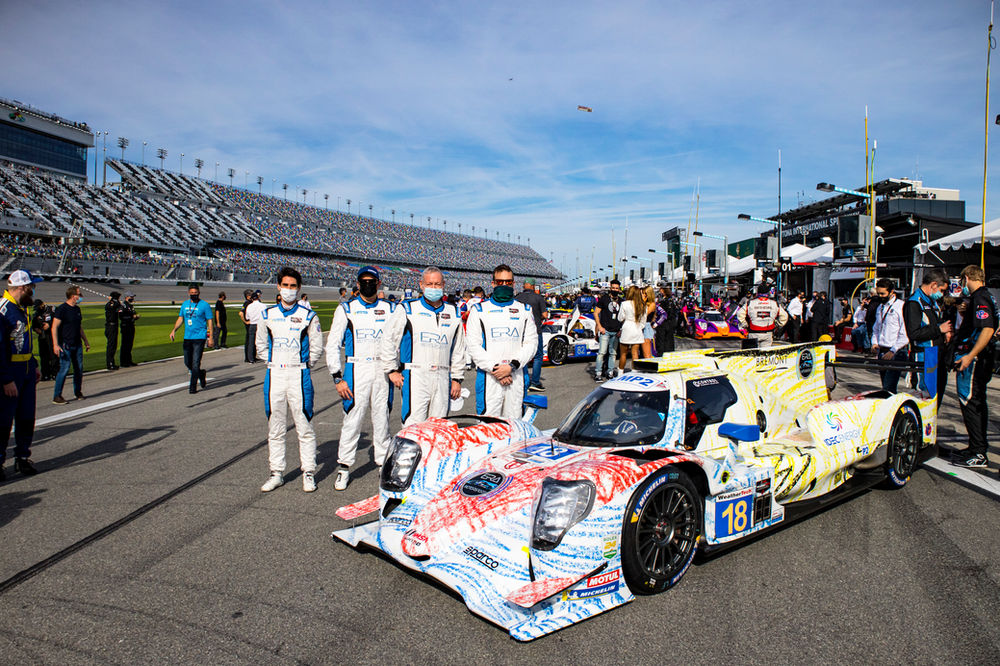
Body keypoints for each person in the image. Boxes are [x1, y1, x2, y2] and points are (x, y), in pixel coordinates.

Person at [255, 267, 323, 492]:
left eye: (293, 286)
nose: (289, 290)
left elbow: (316, 347)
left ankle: (309, 471)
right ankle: (276, 472)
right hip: (275, 374)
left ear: (299, 289)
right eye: (285, 285)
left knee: (304, 425)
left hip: (299, 374)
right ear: (278, 287)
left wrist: (304, 366)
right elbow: (261, 346)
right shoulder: (267, 314)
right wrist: (273, 362)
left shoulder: (308, 316)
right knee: (275, 427)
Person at [327, 266, 394, 491]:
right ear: (357, 283)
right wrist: (337, 376)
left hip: (382, 369)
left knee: (382, 418)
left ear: (378, 282)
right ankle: (344, 467)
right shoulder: (346, 309)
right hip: (356, 368)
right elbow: (333, 343)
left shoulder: (391, 308)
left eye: (371, 280)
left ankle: (382, 464)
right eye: (363, 281)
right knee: (352, 419)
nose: (368, 284)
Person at [380, 266, 465, 425]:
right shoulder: (407, 309)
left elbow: (459, 349)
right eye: (430, 284)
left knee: (439, 428)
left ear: (443, 285)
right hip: (416, 376)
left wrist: (457, 379)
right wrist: (391, 370)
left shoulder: (454, 312)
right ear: (421, 285)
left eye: (437, 284)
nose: (434, 288)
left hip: (442, 376)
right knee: (413, 426)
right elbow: (388, 340)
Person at [465, 264, 537, 418]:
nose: (504, 285)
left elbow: (531, 343)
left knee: (516, 427)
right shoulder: (479, 311)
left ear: (513, 283)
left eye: (508, 282)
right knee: (488, 429)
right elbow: (473, 345)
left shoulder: (525, 310)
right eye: (500, 282)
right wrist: (497, 369)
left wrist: (511, 367)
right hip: (489, 377)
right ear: (493, 283)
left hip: (516, 377)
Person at [951, 265, 998, 469]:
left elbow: (987, 329)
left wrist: (970, 355)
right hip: (979, 357)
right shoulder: (985, 297)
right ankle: (975, 447)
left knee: (970, 401)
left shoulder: (980, 297)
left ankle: (979, 453)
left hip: (975, 359)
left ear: (967, 278)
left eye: (962, 281)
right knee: (974, 402)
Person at [1, 270, 43, 480]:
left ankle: (22, 457)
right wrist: (5, 378)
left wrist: (33, 363)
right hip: (10, 372)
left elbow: (24, 341)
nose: (34, 290)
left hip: (26, 369)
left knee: (26, 417)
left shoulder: (22, 308)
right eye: (32, 287)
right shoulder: (3, 310)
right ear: (22, 287)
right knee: (3, 419)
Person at [903, 270, 951, 404]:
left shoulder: (931, 302)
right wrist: (939, 329)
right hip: (924, 355)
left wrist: (944, 330)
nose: (941, 295)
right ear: (934, 285)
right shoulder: (914, 302)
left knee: (937, 395)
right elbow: (914, 333)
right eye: (941, 290)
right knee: (924, 396)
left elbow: (934, 323)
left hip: (938, 354)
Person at [169, 285, 214, 394]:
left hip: (199, 337)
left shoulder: (204, 305)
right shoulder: (185, 304)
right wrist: (174, 330)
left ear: (199, 293)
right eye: (192, 292)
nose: (194, 294)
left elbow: (210, 321)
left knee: (195, 363)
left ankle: (192, 386)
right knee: (187, 362)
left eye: (196, 292)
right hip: (188, 337)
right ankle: (201, 373)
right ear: (189, 293)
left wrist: (211, 337)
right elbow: (181, 318)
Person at [52, 285, 90, 404]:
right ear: (73, 296)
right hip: (66, 344)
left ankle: (78, 391)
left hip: (77, 343)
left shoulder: (77, 309)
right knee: (64, 369)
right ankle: (57, 395)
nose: (80, 297)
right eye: (79, 294)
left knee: (79, 369)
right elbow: (54, 327)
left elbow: (79, 327)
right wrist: (55, 344)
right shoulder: (62, 309)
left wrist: (85, 340)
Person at [870, 278, 909, 393]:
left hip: (896, 352)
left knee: (889, 387)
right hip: (882, 351)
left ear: (892, 292)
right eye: (879, 294)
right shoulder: (880, 307)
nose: (880, 296)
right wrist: (874, 342)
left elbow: (905, 333)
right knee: (885, 387)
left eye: (883, 294)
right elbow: (876, 328)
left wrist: (893, 350)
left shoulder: (901, 307)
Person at [514, 277, 548, 393]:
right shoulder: (538, 297)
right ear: (533, 286)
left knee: (523, 356)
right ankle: (535, 382)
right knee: (538, 356)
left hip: (520, 331)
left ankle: (523, 381)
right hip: (535, 330)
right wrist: (537, 316)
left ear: (524, 285)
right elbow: (545, 315)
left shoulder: (517, 298)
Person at [736, 283, 788, 348]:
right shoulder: (774, 304)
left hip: (753, 333)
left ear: (757, 292)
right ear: (768, 292)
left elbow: (740, 314)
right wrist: (777, 325)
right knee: (765, 355)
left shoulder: (750, 303)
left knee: (752, 354)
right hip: (768, 333)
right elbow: (784, 316)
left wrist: (745, 325)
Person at [594, 280, 623, 381]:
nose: (615, 290)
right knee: (602, 352)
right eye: (613, 288)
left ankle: (610, 371)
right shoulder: (604, 299)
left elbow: (624, 317)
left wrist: (621, 330)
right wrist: (599, 327)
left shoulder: (621, 301)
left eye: (617, 288)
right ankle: (598, 372)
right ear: (610, 288)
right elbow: (596, 313)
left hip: (616, 331)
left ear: (619, 289)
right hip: (605, 330)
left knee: (613, 353)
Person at [617, 286, 646, 373]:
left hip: (627, 329)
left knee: (623, 354)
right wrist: (638, 327)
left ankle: (620, 373)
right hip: (637, 329)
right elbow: (643, 322)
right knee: (635, 353)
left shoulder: (624, 304)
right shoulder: (642, 305)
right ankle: (634, 372)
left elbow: (620, 318)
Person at [31, 299, 57, 380]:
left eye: (38, 306)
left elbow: (58, 321)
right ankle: (45, 374)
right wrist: (37, 330)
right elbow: (34, 326)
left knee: (53, 355)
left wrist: (49, 325)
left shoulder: (52, 310)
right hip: (42, 337)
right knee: (43, 356)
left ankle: (55, 373)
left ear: (42, 304)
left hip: (51, 336)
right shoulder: (36, 314)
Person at [653, 287, 678, 354]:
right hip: (671, 322)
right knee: (669, 339)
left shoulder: (663, 302)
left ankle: (661, 353)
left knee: (661, 340)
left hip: (663, 323)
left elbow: (663, 314)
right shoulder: (673, 300)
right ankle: (670, 353)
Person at [245, 291, 267, 364]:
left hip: (252, 324)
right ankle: (264, 357)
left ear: (252, 299)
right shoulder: (263, 305)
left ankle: (250, 359)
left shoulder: (249, 306)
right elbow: (266, 315)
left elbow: (247, 317)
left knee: (251, 342)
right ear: (258, 298)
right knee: (263, 341)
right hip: (260, 324)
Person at [119, 292, 140, 366]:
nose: (132, 298)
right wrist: (132, 317)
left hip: (131, 325)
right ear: (127, 297)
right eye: (131, 297)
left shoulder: (131, 306)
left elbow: (133, 314)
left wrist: (136, 317)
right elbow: (121, 316)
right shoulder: (123, 305)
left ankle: (129, 360)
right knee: (125, 344)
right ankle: (123, 361)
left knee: (130, 344)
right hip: (125, 326)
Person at [104, 291, 122, 371]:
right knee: (111, 346)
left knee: (114, 345)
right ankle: (110, 364)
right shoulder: (110, 305)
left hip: (114, 326)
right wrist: (114, 301)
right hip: (110, 326)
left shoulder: (114, 304)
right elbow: (116, 305)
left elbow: (119, 308)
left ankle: (112, 362)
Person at [640, 285, 657, 357]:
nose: (643, 295)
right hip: (642, 326)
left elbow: (643, 314)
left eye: (644, 293)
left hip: (646, 327)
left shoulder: (652, 304)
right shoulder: (645, 303)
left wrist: (642, 302)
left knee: (647, 353)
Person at [239, 289, 255, 363]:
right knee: (249, 341)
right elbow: (241, 313)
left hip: (251, 322)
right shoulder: (247, 303)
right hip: (249, 323)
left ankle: (252, 356)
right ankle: (248, 357)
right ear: (248, 296)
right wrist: (246, 321)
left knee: (252, 340)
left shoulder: (251, 303)